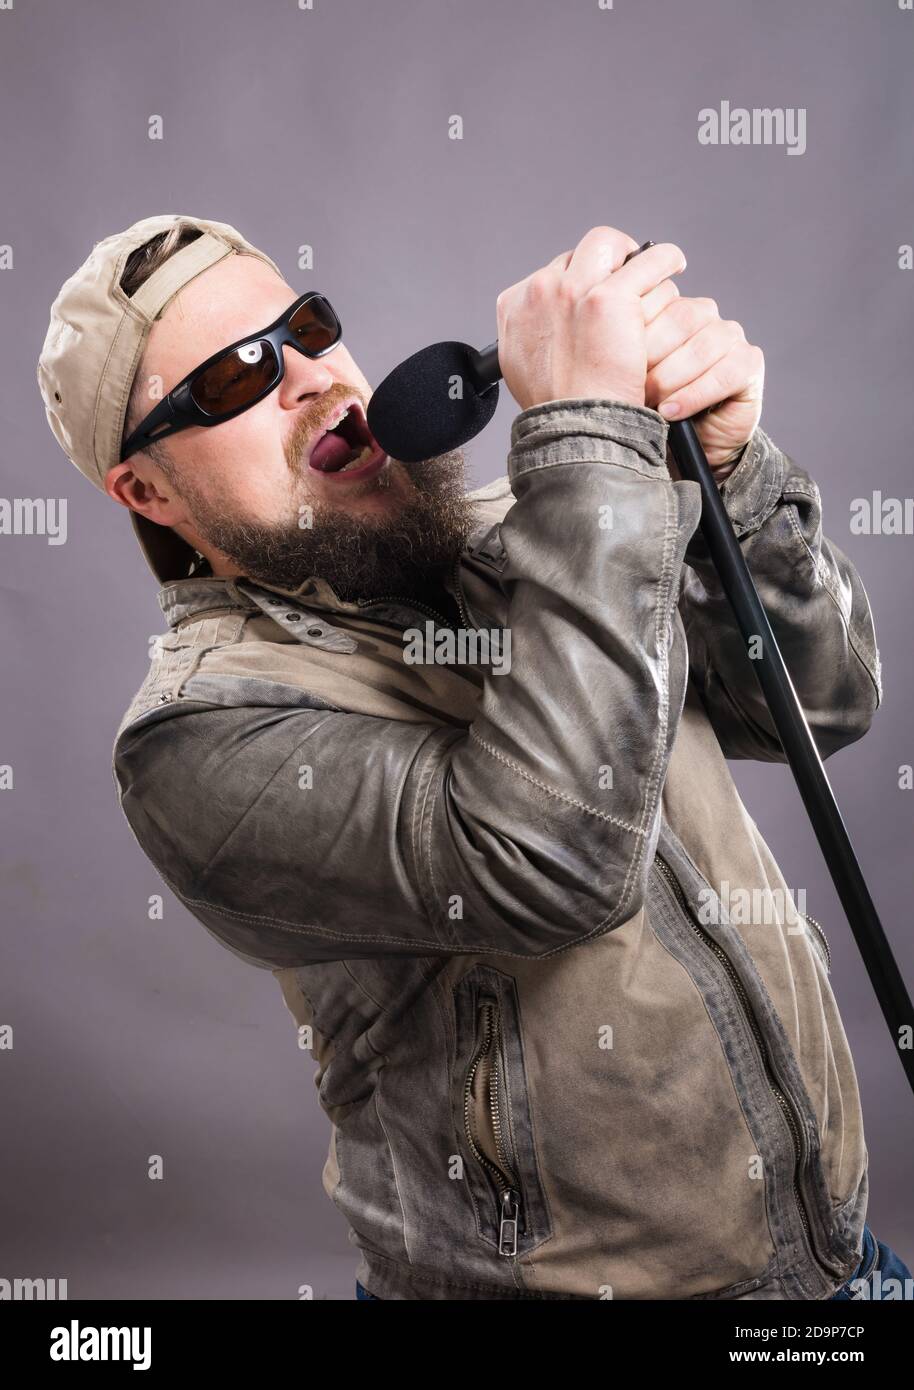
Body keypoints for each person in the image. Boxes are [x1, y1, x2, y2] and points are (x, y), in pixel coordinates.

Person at [37, 214, 910, 1301]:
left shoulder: (530, 532)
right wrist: (589, 446)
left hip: (831, 1263)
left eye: (306, 326)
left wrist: (731, 478)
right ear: (148, 494)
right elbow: (550, 860)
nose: (312, 378)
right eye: (230, 379)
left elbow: (816, 701)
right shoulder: (201, 735)